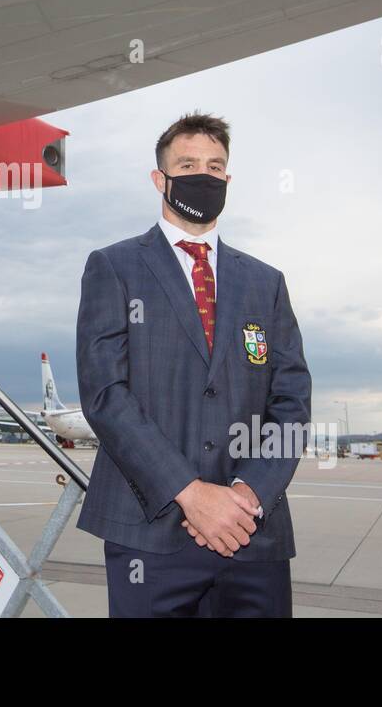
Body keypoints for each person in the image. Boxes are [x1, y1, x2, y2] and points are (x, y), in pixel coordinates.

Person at [74, 111, 312, 617]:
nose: (203, 174)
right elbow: (104, 395)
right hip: (150, 532)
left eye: (215, 165)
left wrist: (249, 493)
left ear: (227, 179)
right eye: (187, 163)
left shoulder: (265, 283)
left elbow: (291, 401)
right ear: (160, 179)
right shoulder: (113, 267)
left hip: (252, 532)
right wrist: (191, 493)